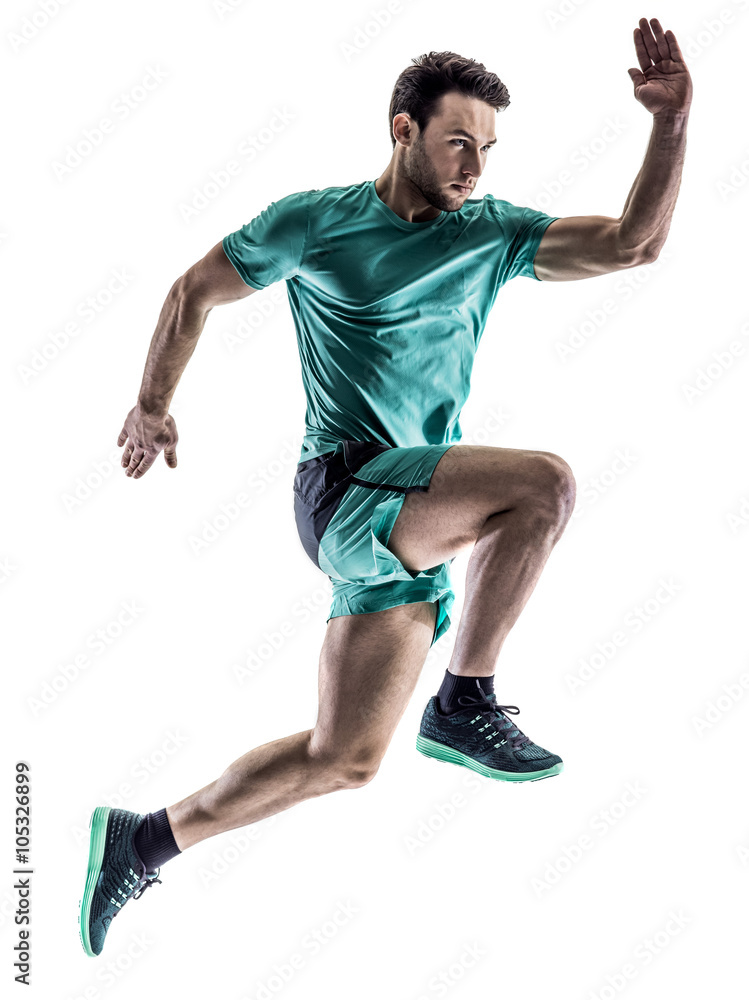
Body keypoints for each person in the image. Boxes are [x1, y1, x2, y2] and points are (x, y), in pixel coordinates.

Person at [79, 18, 691, 957]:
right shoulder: (313, 221)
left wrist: (670, 122)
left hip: (414, 514)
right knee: (543, 486)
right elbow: (192, 291)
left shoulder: (491, 233)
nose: (472, 168)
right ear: (402, 129)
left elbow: (630, 246)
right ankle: (465, 699)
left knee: (344, 757)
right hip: (345, 485)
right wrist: (151, 406)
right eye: (457, 143)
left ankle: (143, 839)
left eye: (486, 149)